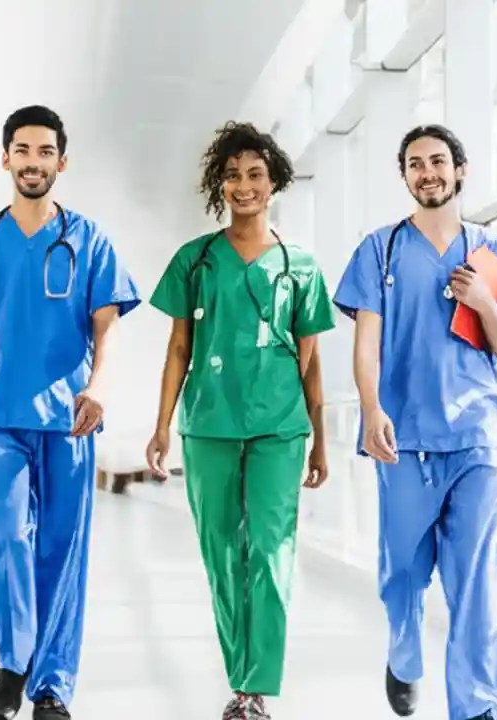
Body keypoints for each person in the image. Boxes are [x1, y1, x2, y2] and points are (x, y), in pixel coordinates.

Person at [0, 105, 141, 720]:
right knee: (2, 533)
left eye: (45, 151)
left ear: (61, 162)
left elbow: (107, 326)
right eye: (22, 150)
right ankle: (14, 659)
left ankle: (52, 686)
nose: (33, 162)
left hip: (69, 417)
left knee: (60, 549)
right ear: (5, 159)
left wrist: (99, 387)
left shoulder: (89, 240)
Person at [332, 124, 497, 720]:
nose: (429, 172)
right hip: (403, 436)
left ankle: (477, 707)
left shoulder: (493, 253)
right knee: (402, 572)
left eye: (438, 161)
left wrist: (484, 302)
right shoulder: (381, 250)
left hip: (477, 437)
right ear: (405, 176)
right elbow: (366, 344)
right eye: (416, 164)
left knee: (476, 582)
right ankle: (404, 652)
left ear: (460, 169)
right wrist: (371, 409)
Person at [144, 121, 335, 720]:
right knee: (223, 553)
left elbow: (310, 361)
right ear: (219, 185)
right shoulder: (195, 260)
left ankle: (256, 690)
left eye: (255, 174)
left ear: (274, 182)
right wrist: (161, 425)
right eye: (232, 175)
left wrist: (320, 440)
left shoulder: (301, 266)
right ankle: (240, 681)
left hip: (280, 427)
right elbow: (179, 348)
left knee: (272, 551)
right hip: (208, 424)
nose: (244, 185)